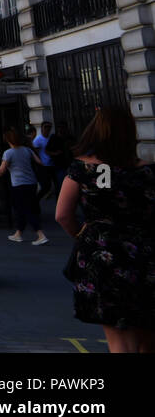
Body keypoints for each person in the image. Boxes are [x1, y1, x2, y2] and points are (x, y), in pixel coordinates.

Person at [57, 105, 155, 353]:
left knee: (119, 339)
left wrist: (83, 235)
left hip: (101, 256)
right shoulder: (147, 171)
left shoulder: (82, 169)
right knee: (146, 335)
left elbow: (62, 215)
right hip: (145, 257)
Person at [0, 128, 48, 245]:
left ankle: (40, 235)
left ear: (8, 140)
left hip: (19, 185)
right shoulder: (27, 150)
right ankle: (18, 233)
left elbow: (1, 170)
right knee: (22, 208)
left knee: (25, 209)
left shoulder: (8, 153)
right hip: (31, 183)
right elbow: (40, 162)